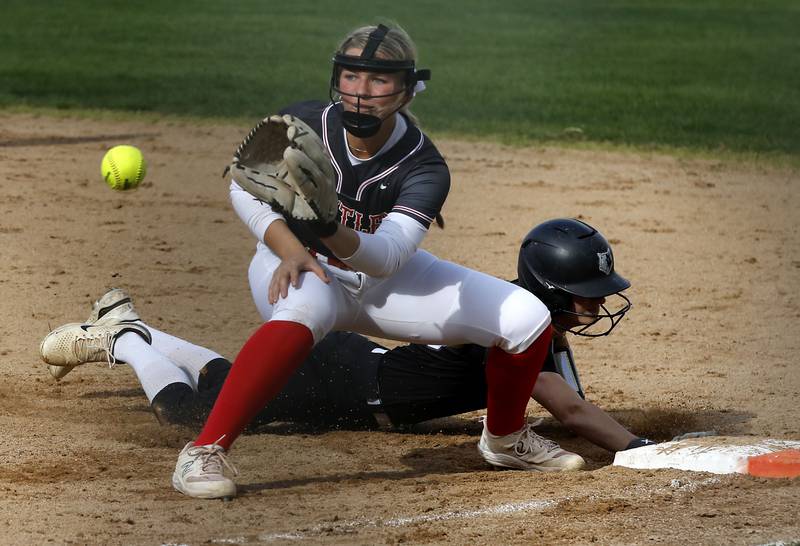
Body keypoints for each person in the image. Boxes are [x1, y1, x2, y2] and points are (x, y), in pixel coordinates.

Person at [42, 23, 564, 499]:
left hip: (381, 280)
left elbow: (385, 258)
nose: (361, 90)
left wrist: (327, 223)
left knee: (525, 318)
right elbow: (243, 189)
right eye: (351, 75)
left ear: (407, 89)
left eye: (379, 79)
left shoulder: (424, 165)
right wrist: (290, 246)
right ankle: (205, 451)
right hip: (294, 265)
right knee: (300, 314)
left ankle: (505, 438)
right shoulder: (298, 121)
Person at [40, 219, 654, 487]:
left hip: (355, 371)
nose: (595, 306)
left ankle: (139, 331)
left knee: (227, 378)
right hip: (350, 384)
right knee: (192, 413)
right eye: (586, 296)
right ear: (551, 294)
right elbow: (571, 412)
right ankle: (126, 338)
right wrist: (640, 448)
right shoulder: (516, 331)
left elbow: (570, 402)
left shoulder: (523, 322)